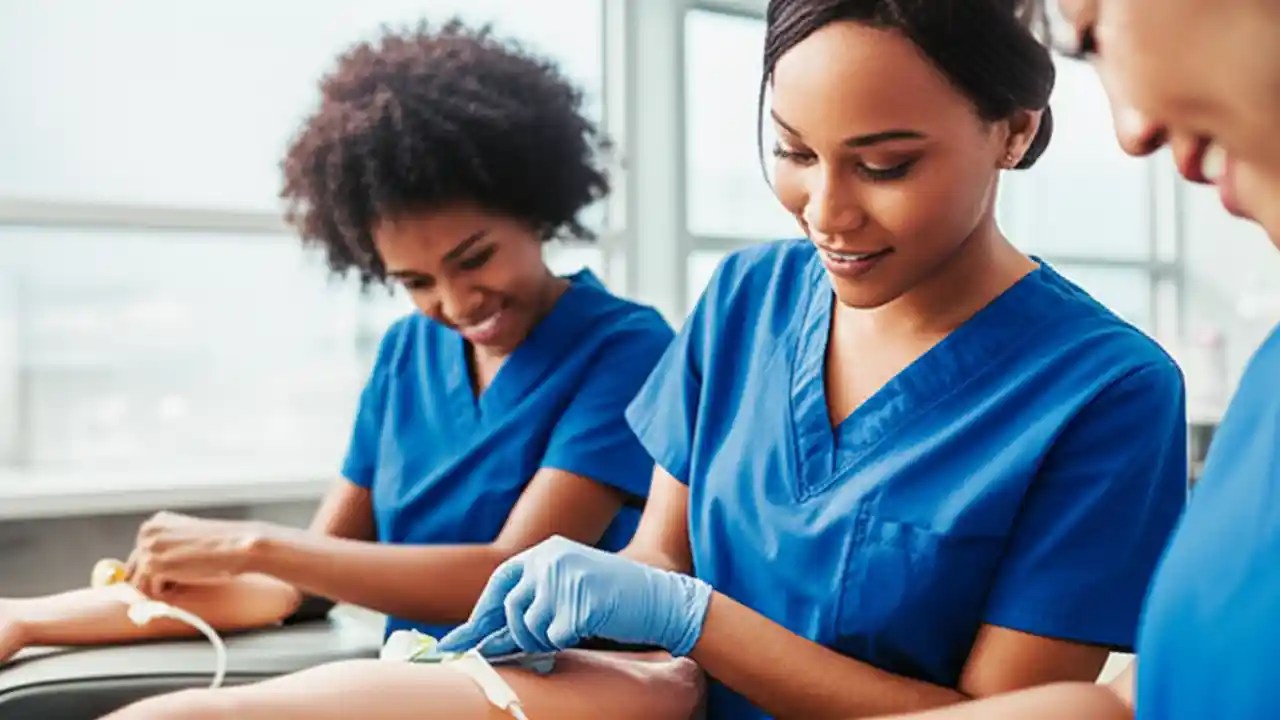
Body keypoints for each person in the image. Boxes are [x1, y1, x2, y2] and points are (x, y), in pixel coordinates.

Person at [103, 1, 1188, 718]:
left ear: (1012, 130)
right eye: (791, 151)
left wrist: (695, 622)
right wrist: (613, 608)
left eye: (885, 164)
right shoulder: (749, 300)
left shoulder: (1104, 391)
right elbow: (661, 563)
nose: (826, 210)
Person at [0, 20, 672, 664]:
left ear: (534, 208)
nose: (457, 302)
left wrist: (251, 543)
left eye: (476, 259)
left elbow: (508, 576)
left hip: (571, 691)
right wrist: (28, 619)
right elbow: (298, 587)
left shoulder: (627, 349)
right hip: (410, 684)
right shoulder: (407, 354)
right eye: (415, 280)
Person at [866, 1, 1280, 719]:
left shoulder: (1112, 383)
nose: (1133, 132)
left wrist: (700, 623)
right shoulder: (1270, 387)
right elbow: (1146, 702)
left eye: (1089, 30)